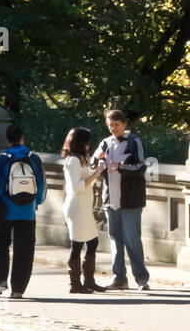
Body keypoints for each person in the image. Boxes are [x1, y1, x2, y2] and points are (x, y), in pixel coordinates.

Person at [0, 124, 46, 299]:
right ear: (22, 138)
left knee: (0, 244)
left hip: (6, 209)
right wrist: (35, 203)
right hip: (27, 211)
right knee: (25, 249)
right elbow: (41, 185)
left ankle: (1, 279)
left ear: (7, 140)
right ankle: (18, 289)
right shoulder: (33, 158)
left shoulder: (2, 159)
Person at [93, 108, 149, 291]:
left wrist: (120, 166)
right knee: (115, 238)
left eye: (116, 125)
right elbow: (93, 162)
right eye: (110, 125)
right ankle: (119, 277)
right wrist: (98, 162)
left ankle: (141, 278)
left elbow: (141, 167)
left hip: (130, 199)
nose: (113, 128)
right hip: (110, 198)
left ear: (124, 124)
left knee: (132, 239)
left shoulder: (134, 141)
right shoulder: (105, 143)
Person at [61, 127, 107, 294]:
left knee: (92, 242)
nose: (89, 145)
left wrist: (96, 166)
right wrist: (97, 172)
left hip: (83, 208)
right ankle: (75, 283)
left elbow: (86, 178)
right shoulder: (73, 161)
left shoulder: (81, 159)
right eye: (87, 142)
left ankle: (88, 280)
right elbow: (76, 187)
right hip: (76, 207)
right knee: (77, 244)